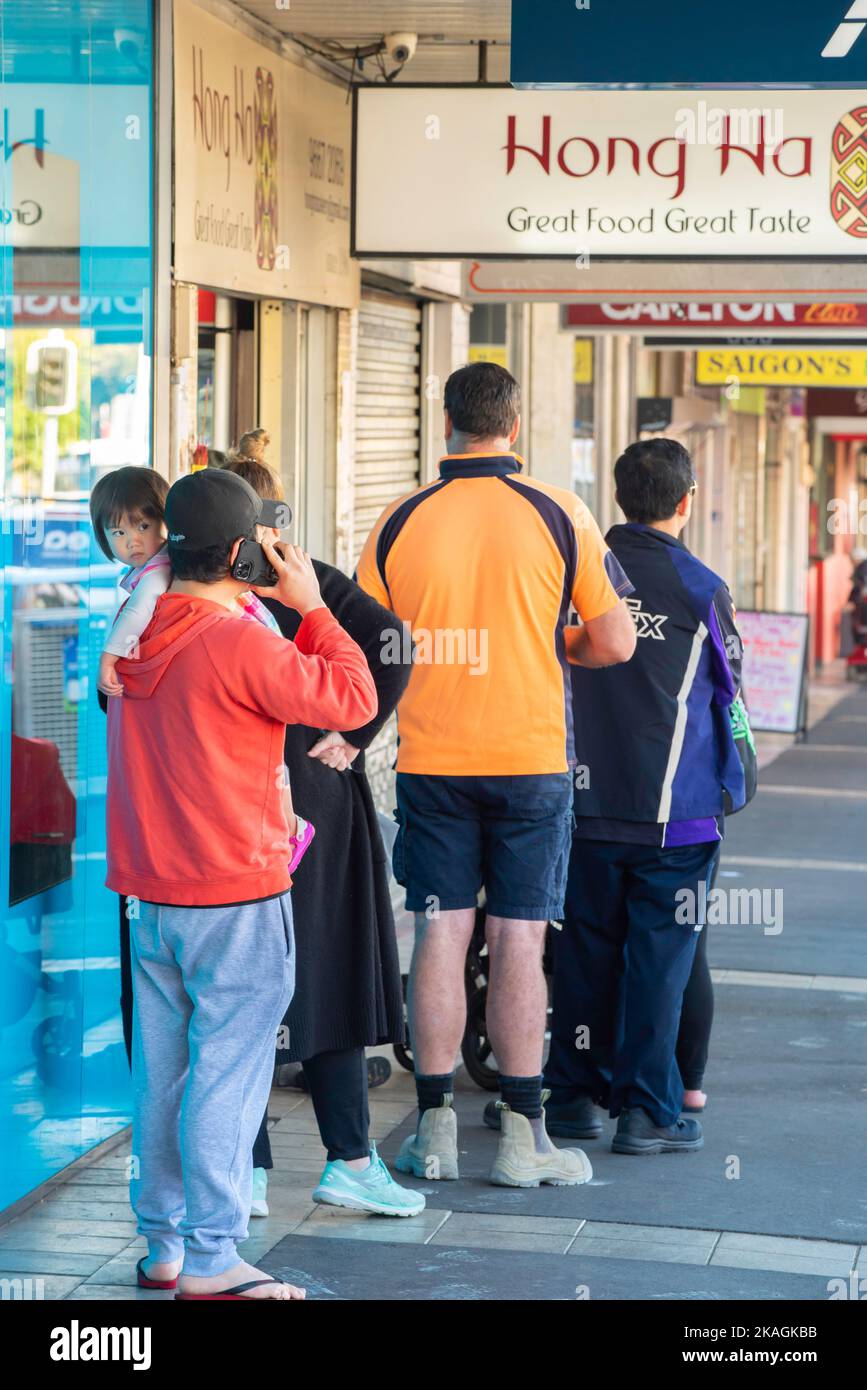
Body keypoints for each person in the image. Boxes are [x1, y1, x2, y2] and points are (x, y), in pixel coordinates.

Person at [356, 361, 636, 1188]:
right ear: (515, 423)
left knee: (439, 930)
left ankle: (431, 1133)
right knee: (518, 937)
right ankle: (523, 1140)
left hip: (433, 763)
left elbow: (373, 646)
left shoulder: (399, 518)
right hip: (531, 763)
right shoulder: (560, 512)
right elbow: (615, 642)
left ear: (446, 420)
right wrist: (556, 644)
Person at [105, 468, 377, 1300]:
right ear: (241, 552)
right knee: (227, 1069)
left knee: (165, 1074)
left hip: (148, 896)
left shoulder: (134, 629)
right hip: (233, 891)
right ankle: (217, 1255)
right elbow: (354, 695)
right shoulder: (241, 640)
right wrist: (313, 604)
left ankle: (165, 1247)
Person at [223, 453, 424, 1219]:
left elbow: (390, 645)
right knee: (325, 976)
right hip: (300, 805)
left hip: (271, 809)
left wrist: (356, 732)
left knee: (247, 990)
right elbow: (395, 645)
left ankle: (254, 1169)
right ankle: (337, 1158)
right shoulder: (297, 587)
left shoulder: (234, 591)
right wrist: (356, 733)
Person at [542, 437, 746, 1156]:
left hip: (579, 802)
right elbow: (730, 693)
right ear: (685, 503)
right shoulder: (701, 586)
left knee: (582, 952)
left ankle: (569, 1097)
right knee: (659, 959)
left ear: (617, 496)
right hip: (676, 812)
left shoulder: (578, 577)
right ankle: (647, 1110)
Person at [89, 467, 170, 698]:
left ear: (166, 519)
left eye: (143, 527)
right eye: (118, 533)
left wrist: (107, 660)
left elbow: (138, 611)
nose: (132, 542)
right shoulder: (163, 561)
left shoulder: (159, 569)